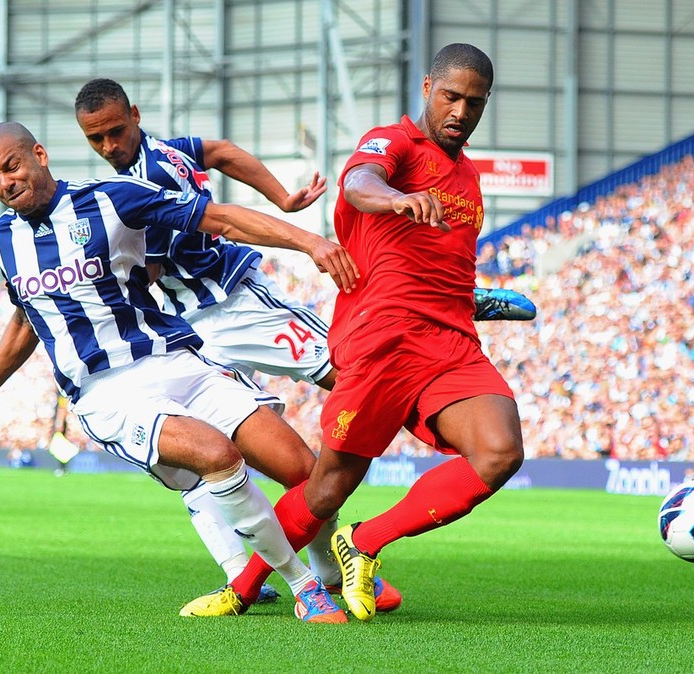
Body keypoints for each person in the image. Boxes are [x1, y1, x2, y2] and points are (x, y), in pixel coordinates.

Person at [0, 121, 361, 623]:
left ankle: (331, 575)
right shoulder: (3, 238)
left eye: (11, 167)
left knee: (302, 470)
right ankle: (304, 587)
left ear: (39, 154)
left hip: (174, 361)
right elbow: (26, 319)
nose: (5, 184)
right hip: (106, 393)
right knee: (216, 456)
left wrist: (310, 243)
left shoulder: (111, 199)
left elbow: (221, 220)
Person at [182, 43, 525, 621]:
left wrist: (474, 299)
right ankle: (242, 589)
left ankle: (363, 542)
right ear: (427, 88)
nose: (461, 111)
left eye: (475, 102)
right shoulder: (393, 142)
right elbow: (360, 184)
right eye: (451, 96)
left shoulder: (467, 175)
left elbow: (436, 264)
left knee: (500, 452)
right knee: (327, 487)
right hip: (382, 340)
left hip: (450, 341)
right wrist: (398, 198)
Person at [74, 78, 408, 611]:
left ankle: (433, 382)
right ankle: (251, 578)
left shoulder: (147, 177)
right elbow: (222, 152)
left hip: (238, 304)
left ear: (134, 114)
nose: (109, 146)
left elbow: (167, 258)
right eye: (96, 138)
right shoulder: (169, 151)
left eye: (116, 131)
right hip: (191, 332)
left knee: (352, 377)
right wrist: (281, 196)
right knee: (204, 459)